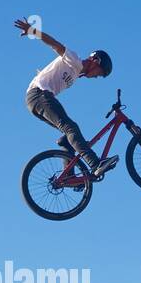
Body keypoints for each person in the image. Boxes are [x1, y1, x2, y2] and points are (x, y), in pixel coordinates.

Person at [15, 19, 118, 178]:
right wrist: (33, 31)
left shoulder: (76, 74)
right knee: (71, 128)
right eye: (100, 72)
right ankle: (95, 164)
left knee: (68, 134)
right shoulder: (74, 59)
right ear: (95, 61)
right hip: (39, 94)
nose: (97, 77)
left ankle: (69, 176)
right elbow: (55, 44)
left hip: (36, 101)